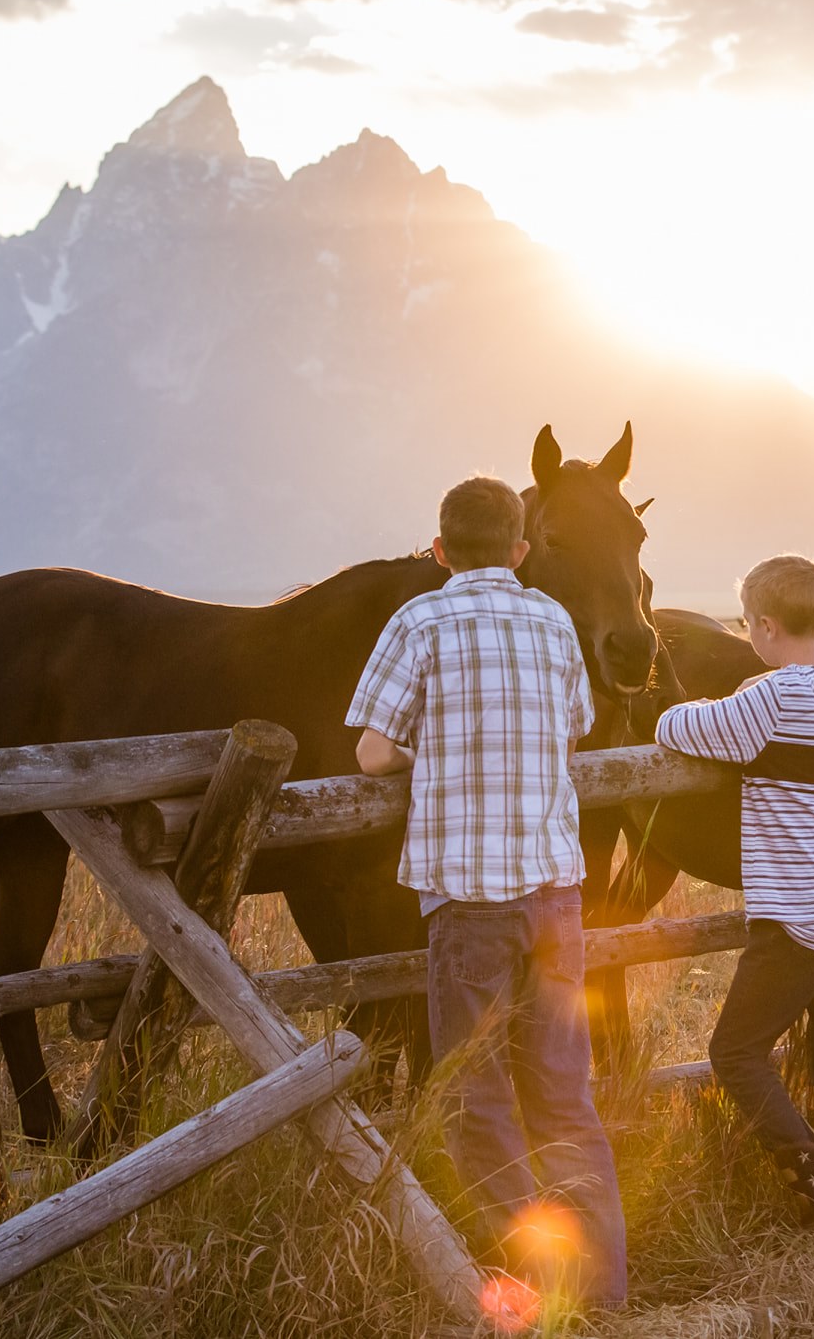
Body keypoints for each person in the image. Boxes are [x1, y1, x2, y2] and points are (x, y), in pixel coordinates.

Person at [346, 474, 627, 1310]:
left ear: (438, 550)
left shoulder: (418, 619)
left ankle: (540, 1290)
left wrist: (427, 750)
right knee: (564, 1096)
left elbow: (370, 752)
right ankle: (602, 1294)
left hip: (468, 901)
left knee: (476, 1100)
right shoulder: (553, 621)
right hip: (555, 894)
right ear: (520, 548)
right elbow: (574, 722)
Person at [653, 555, 814, 1254]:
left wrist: (743, 690)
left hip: (798, 917)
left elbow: (676, 728)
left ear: (763, 625)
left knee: (734, 1051)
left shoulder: (768, 702)